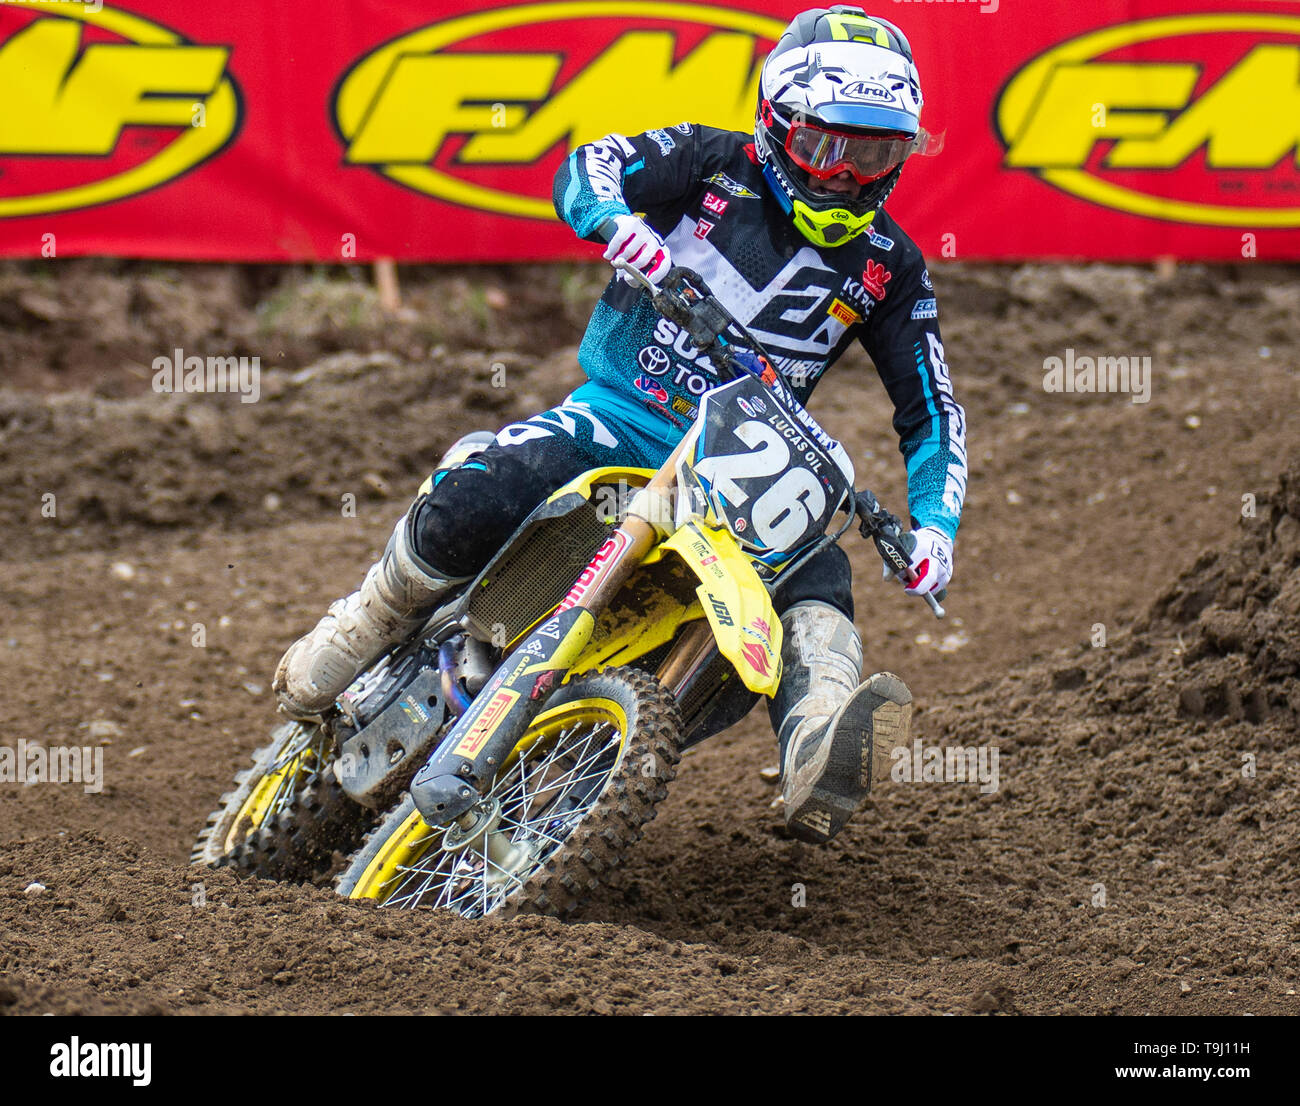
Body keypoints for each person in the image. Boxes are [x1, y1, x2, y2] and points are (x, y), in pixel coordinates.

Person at [273, 6, 967, 844]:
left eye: (876, 154)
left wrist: (934, 525)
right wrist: (619, 228)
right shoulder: (712, 163)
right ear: (779, 124)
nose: (847, 176)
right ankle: (374, 616)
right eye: (827, 146)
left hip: (739, 462)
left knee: (819, 578)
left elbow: (931, 406)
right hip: (623, 416)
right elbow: (587, 167)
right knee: (500, 481)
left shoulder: (891, 265)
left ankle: (820, 743)